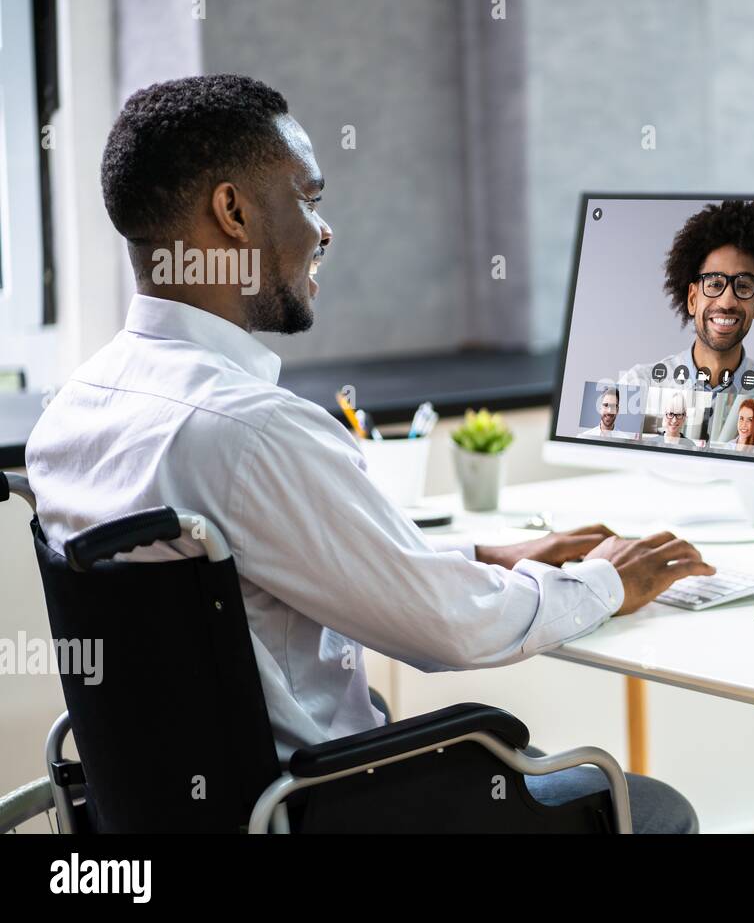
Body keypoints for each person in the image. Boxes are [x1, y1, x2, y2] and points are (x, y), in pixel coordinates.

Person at [25, 75, 708, 833]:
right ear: (233, 211)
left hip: (184, 817)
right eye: (308, 197)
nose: (323, 230)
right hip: (323, 807)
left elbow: (275, 559)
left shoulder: (73, 416)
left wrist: (484, 549)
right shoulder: (250, 431)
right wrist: (609, 579)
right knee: (648, 808)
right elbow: (456, 628)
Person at [622, 200, 754, 399]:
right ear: (693, 299)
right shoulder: (638, 386)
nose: (727, 302)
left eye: (743, 286)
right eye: (714, 284)